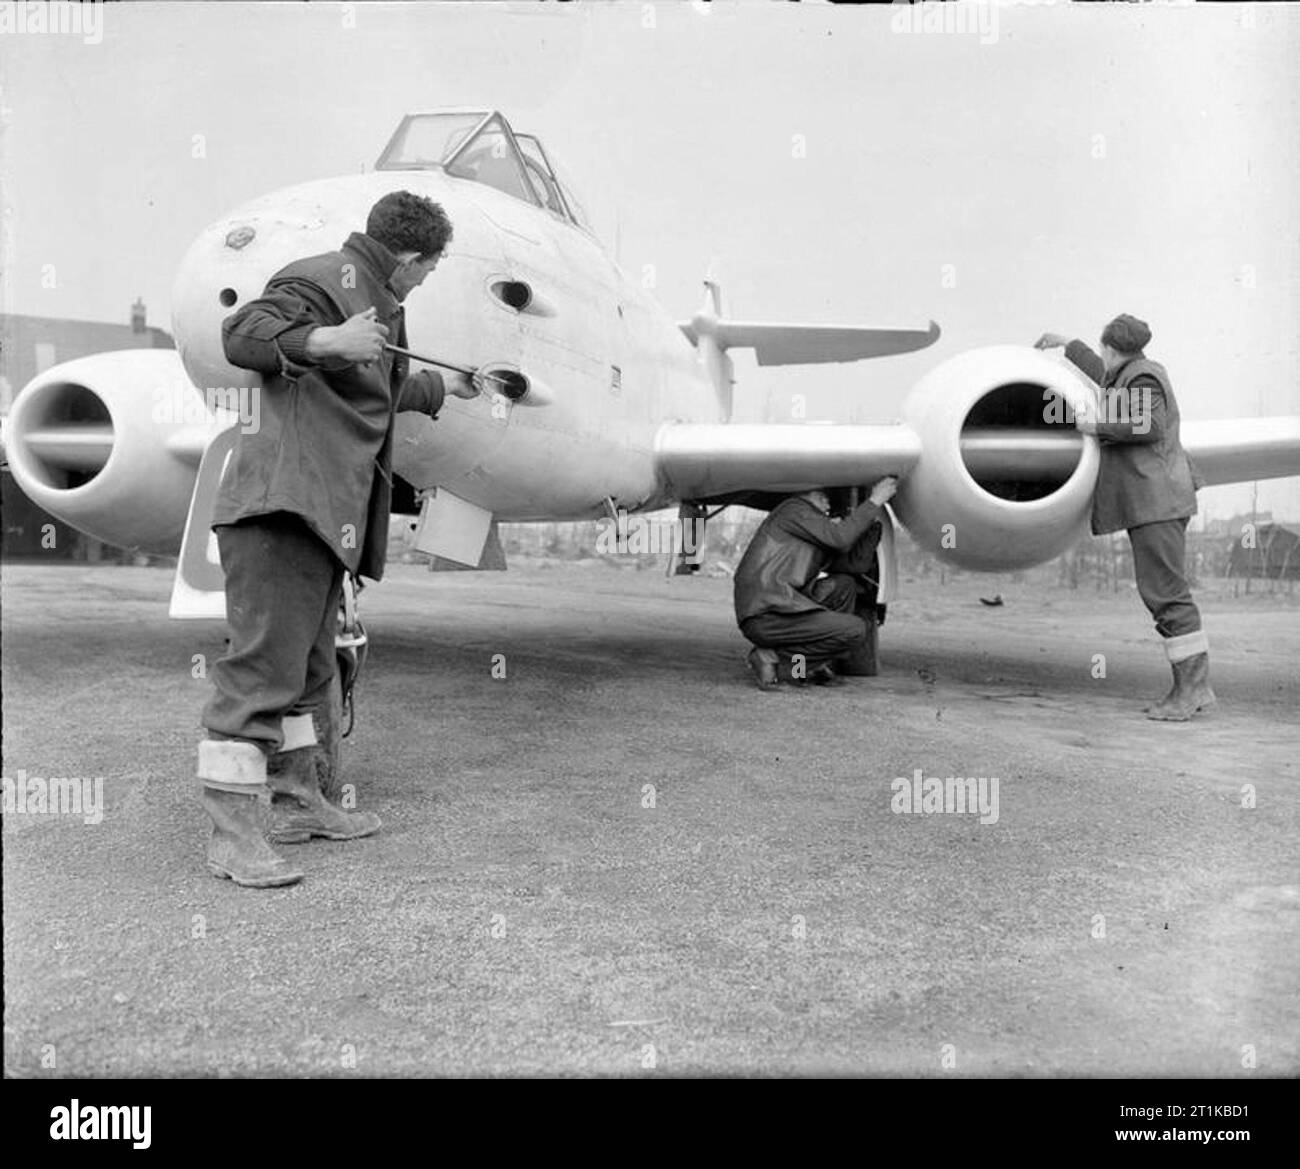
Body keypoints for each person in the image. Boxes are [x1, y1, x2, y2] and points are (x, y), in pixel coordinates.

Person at [197, 191, 484, 888]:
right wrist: (326, 340)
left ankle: (298, 803)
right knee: (261, 676)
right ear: (412, 257)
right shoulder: (323, 277)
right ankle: (232, 837)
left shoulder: (378, 302)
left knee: (311, 674)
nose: (424, 281)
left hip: (322, 518)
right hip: (282, 510)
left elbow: (374, 390)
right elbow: (242, 333)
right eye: (430, 269)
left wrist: (450, 388)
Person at [1035, 313, 1212, 721]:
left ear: (1112, 348)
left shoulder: (1143, 379)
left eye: (1102, 350)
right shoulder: (1132, 373)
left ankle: (1193, 690)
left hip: (1157, 503)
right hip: (1155, 503)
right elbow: (1105, 377)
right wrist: (1070, 344)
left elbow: (1146, 423)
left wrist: (1090, 424)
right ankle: (1193, 688)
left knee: (1167, 595)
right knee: (1162, 593)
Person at [734, 477, 898, 689]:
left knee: (844, 585)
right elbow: (839, 537)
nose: (829, 506)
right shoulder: (793, 509)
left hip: (782, 607)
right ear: (806, 495)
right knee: (855, 630)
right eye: (823, 498)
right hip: (767, 613)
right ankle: (771, 657)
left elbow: (852, 566)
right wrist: (875, 500)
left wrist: (870, 527)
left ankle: (805, 668)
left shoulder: (811, 531)